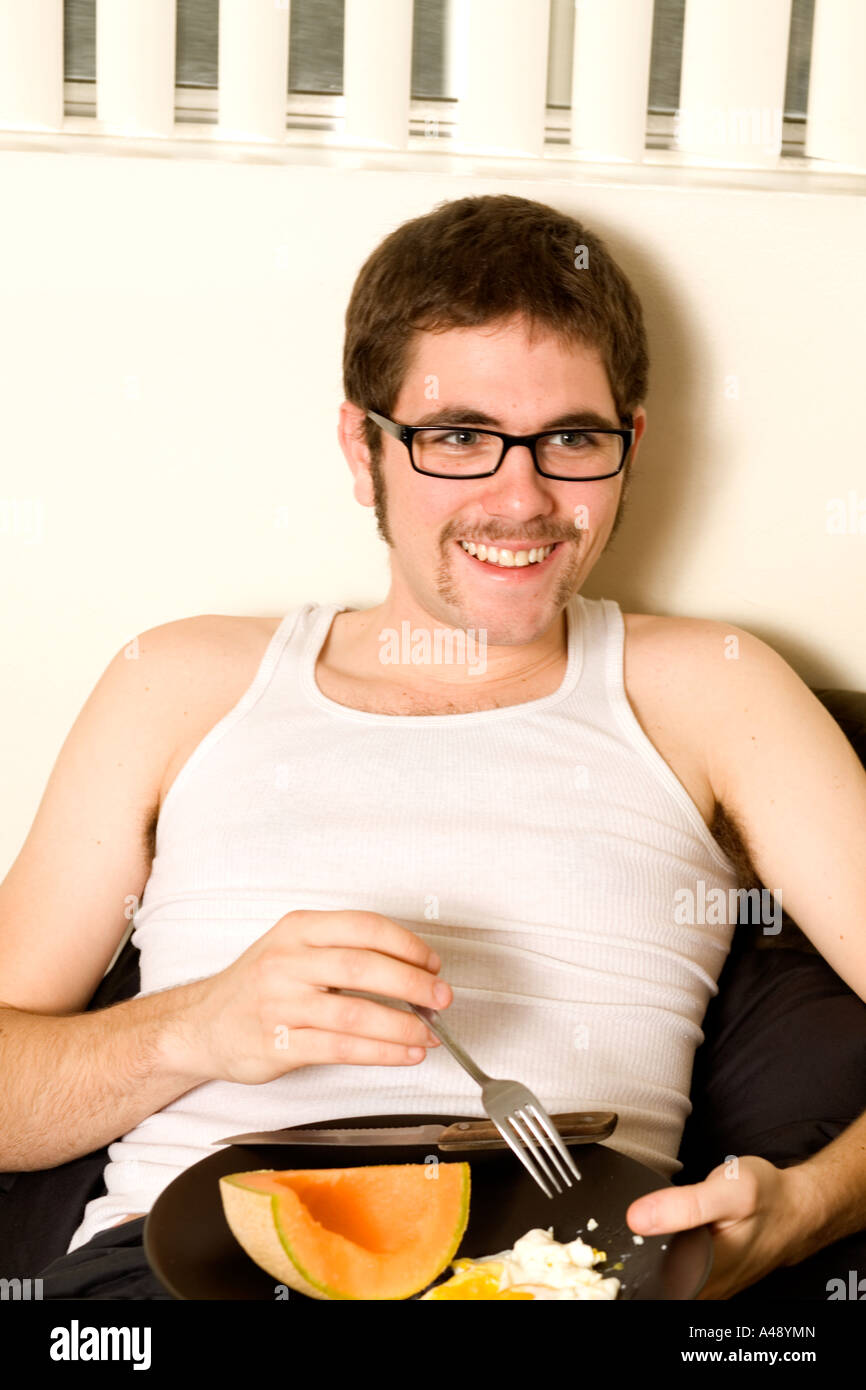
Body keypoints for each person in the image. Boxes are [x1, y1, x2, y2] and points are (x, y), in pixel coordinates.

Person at [1, 194, 864, 1302]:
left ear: (627, 447)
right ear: (363, 449)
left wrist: (809, 1206)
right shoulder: (177, 681)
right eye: (456, 436)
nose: (521, 498)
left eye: (570, 440)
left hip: (547, 1276)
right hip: (179, 1278)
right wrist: (190, 1030)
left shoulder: (710, 687)